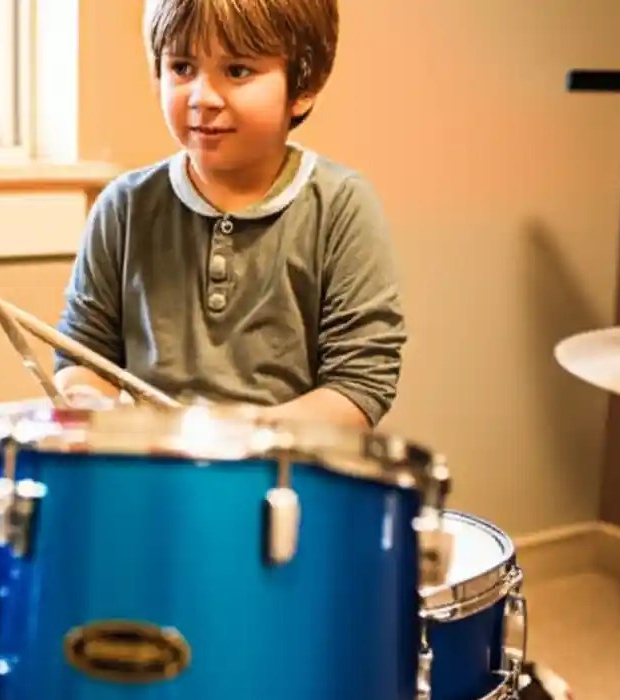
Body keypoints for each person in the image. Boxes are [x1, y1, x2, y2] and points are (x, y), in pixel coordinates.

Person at [52, 0, 406, 429]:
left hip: (288, 478)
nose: (202, 98)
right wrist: (87, 400)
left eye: (237, 70)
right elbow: (81, 353)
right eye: (182, 67)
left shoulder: (342, 205)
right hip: (153, 477)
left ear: (305, 82)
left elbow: (360, 385)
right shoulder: (123, 206)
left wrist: (237, 439)